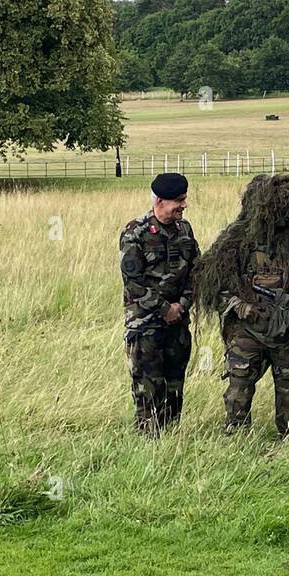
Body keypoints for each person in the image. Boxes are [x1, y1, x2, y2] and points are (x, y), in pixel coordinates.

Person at [194, 173, 289, 438]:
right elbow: (210, 284)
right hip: (246, 330)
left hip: (286, 328)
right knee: (239, 385)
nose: (285, 217)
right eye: (279, 210)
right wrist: (239, 306)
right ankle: (237, 435)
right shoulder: (236, 238)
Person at [119, 172, 199, 435]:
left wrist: (182, 306)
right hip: (146, 325)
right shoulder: (136, 233)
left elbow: (196, 272)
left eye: (184, 199)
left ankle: (171, 439)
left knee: (174, 388)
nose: (184, 206)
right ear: (160, 201)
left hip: (178, 324)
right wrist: (165, 309)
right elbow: (133, 282)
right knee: (147, 389)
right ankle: (147, 442)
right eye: (179, 200)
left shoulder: (185, 230)